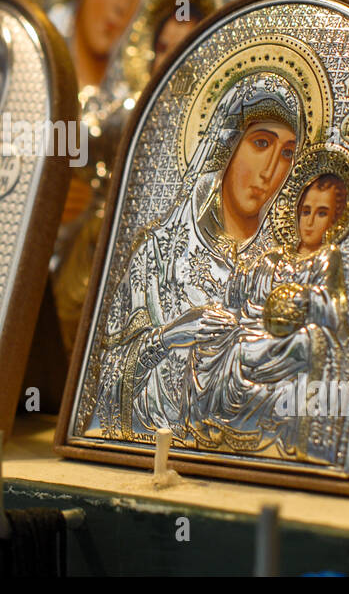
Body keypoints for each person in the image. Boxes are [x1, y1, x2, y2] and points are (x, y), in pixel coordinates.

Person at [78, 72, 301, 440]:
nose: (271, 171)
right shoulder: (157, 255)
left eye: (288, 152)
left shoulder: (286, 266)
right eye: (261, 143)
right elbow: (104, 386)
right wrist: (167, 337)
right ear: (227, 145)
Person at [185, 161, 349, 462]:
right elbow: (241, 295)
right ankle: (217, 423)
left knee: (303, 340)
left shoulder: (326, 259)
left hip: (288, 339)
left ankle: (271, 429)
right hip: (255, 329)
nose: (310, 222)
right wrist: (236, 271)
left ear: (337, 220)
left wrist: (300, 297)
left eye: (321, 213)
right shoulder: (274, 257)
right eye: (305, 211)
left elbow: (333, 308)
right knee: (224, 339)